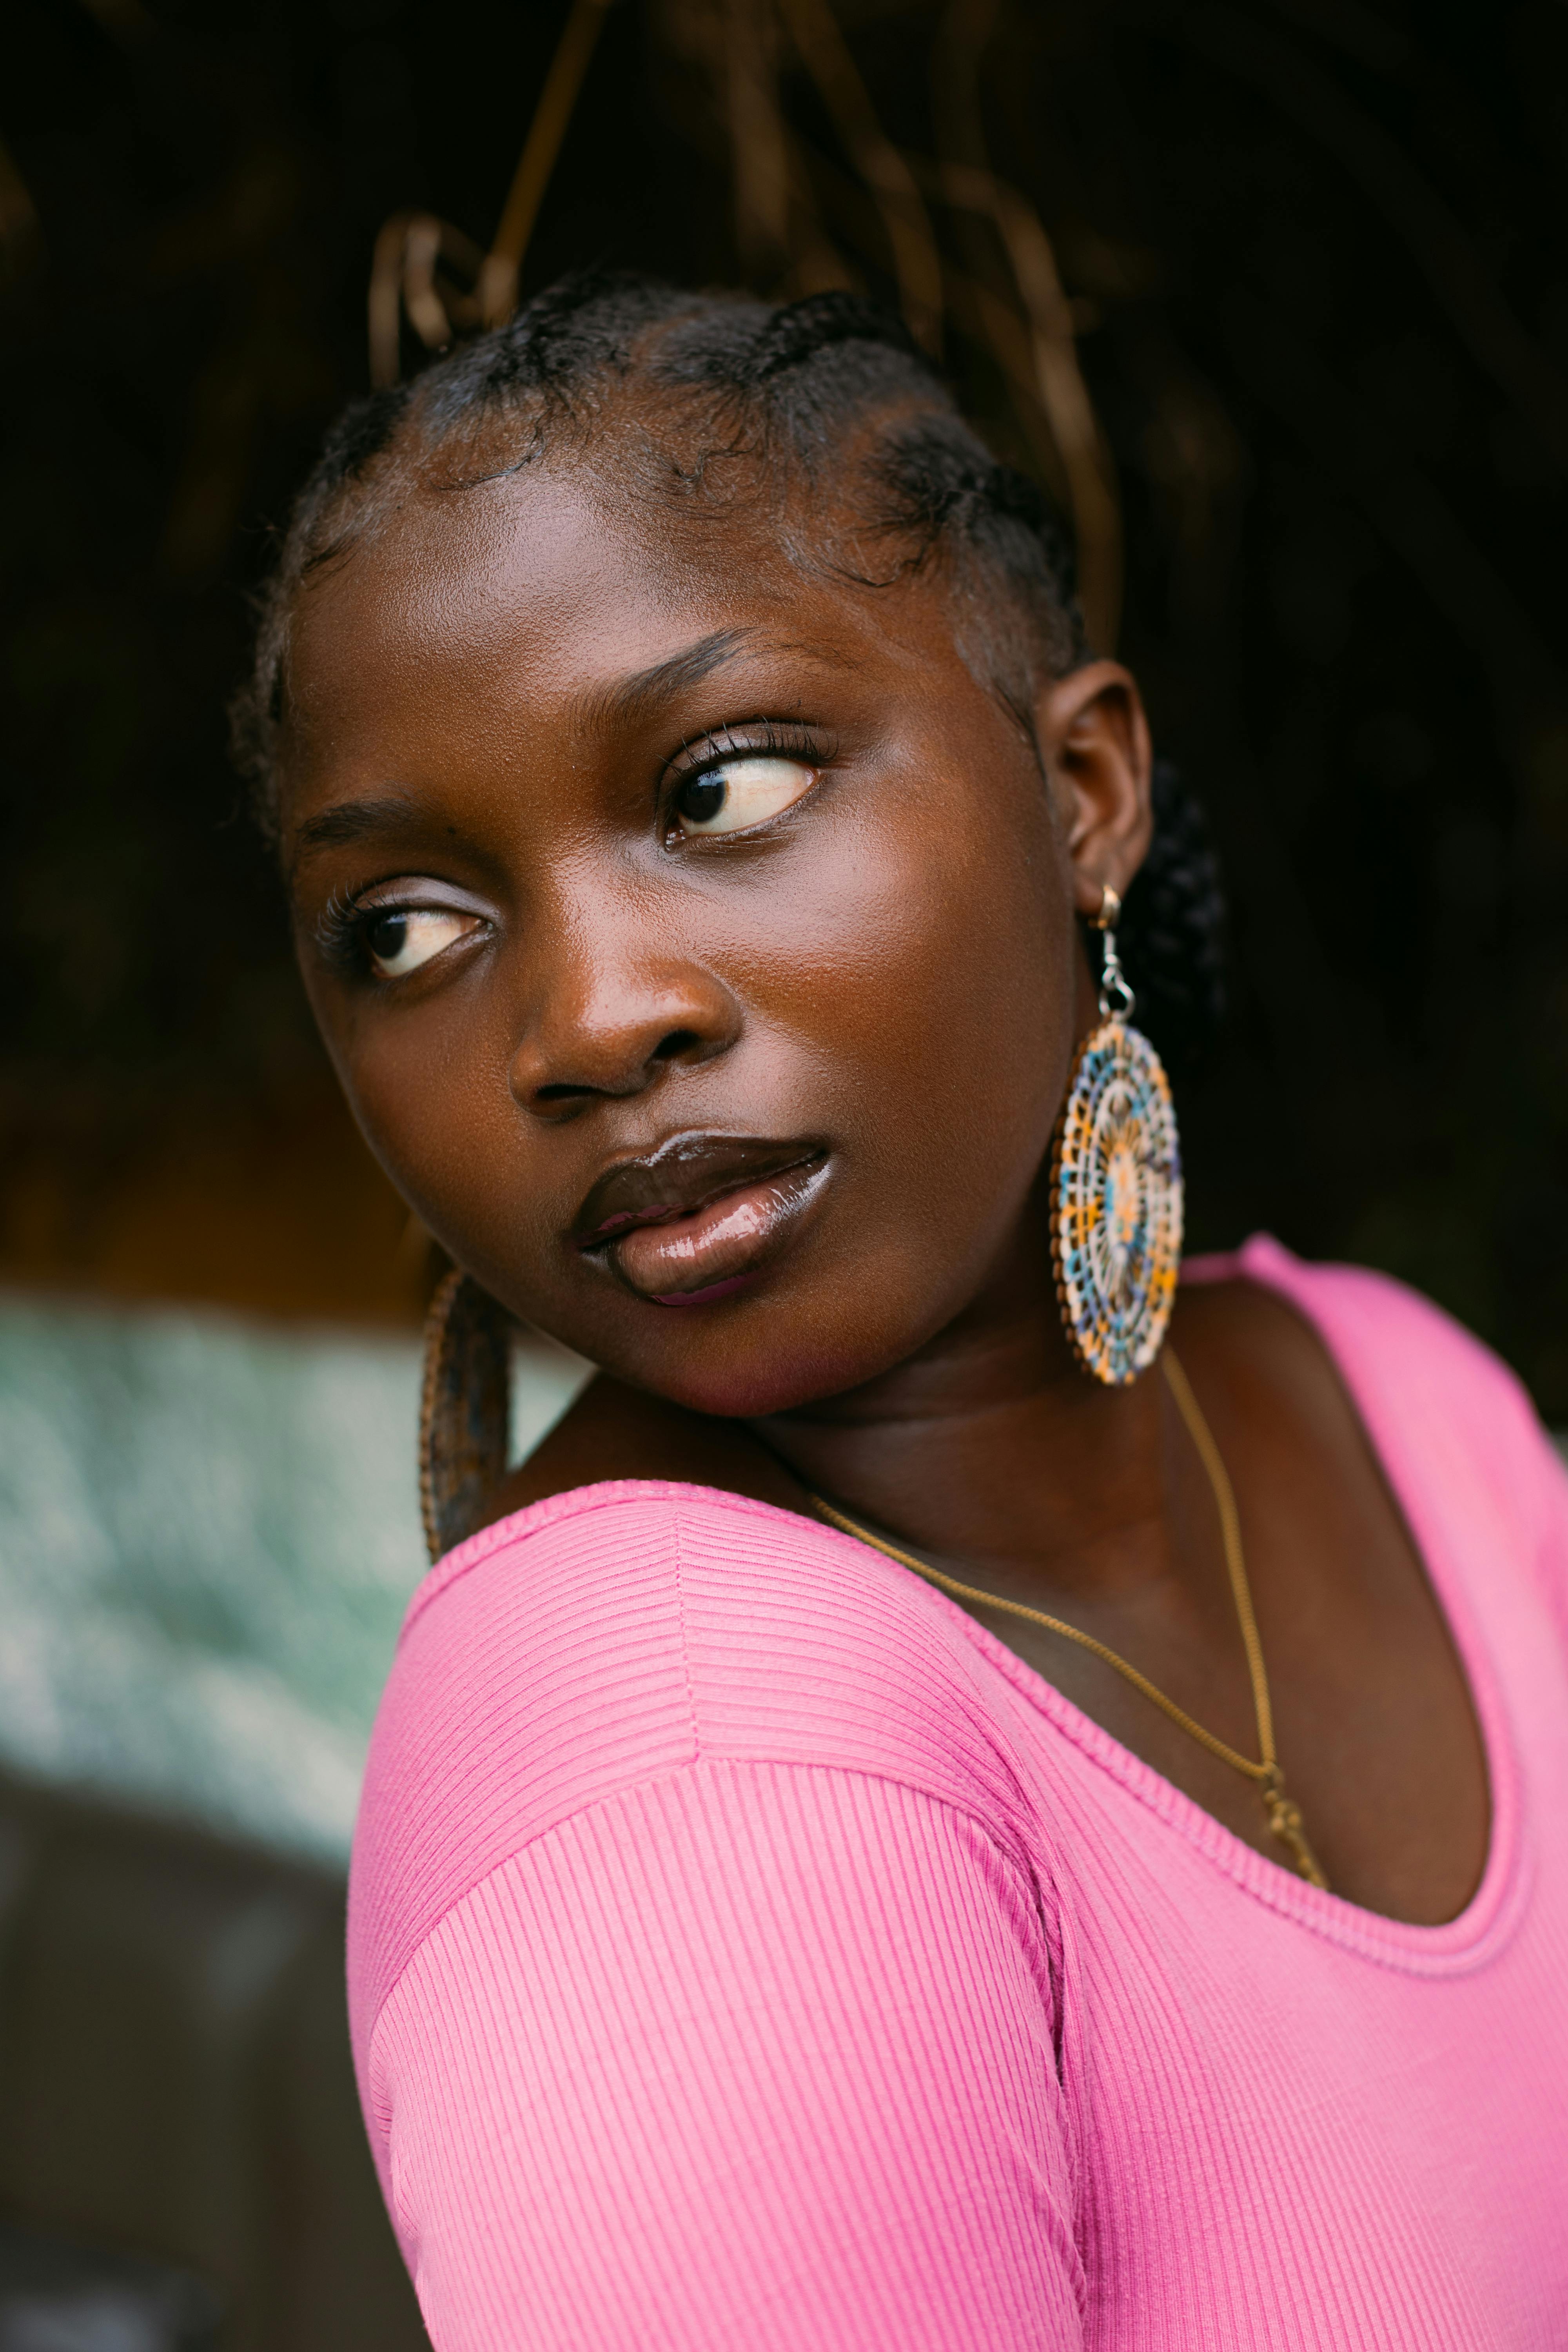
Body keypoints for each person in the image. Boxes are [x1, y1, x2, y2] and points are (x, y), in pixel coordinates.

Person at [235, 274, 1568, 2348]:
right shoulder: (665, 1749)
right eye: (407, 926)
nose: (589, 1019)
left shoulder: (1412, 1407)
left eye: (725, 791)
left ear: (1084, 792)